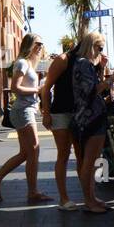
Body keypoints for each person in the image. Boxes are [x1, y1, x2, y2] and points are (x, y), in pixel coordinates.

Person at [0, 34, 52, 203]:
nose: (40, 47)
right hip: (23, 111)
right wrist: (37, 90)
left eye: (41, 44)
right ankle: (32, 192)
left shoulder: (30, 64)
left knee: (26, 152)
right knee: (34, 150)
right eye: (38, 43)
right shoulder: (22, 62)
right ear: (29, 44)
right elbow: (15, 87)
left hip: (26, 109)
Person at [70, 32, 114, 214]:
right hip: (90, 118)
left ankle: (91, 198)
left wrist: (102, 70)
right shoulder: (83, 64)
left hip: (89, 117)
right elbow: (92, 90)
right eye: (100, 48)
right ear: (91, 46)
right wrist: (112, 79)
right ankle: (89, 201)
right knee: (90, 162)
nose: (101, 52)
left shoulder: (83, 64)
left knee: (91, 162)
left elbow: (93, 87)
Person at [40, 41, 80, 210]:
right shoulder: (63, 59)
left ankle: (89, 195)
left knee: (82, 155)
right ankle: (63, 199)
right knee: (63, 154)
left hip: (79, 113)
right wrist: (46, 113)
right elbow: (46, 87)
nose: (98, 52)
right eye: (97, 48)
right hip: (61, 113)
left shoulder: (89, 61)